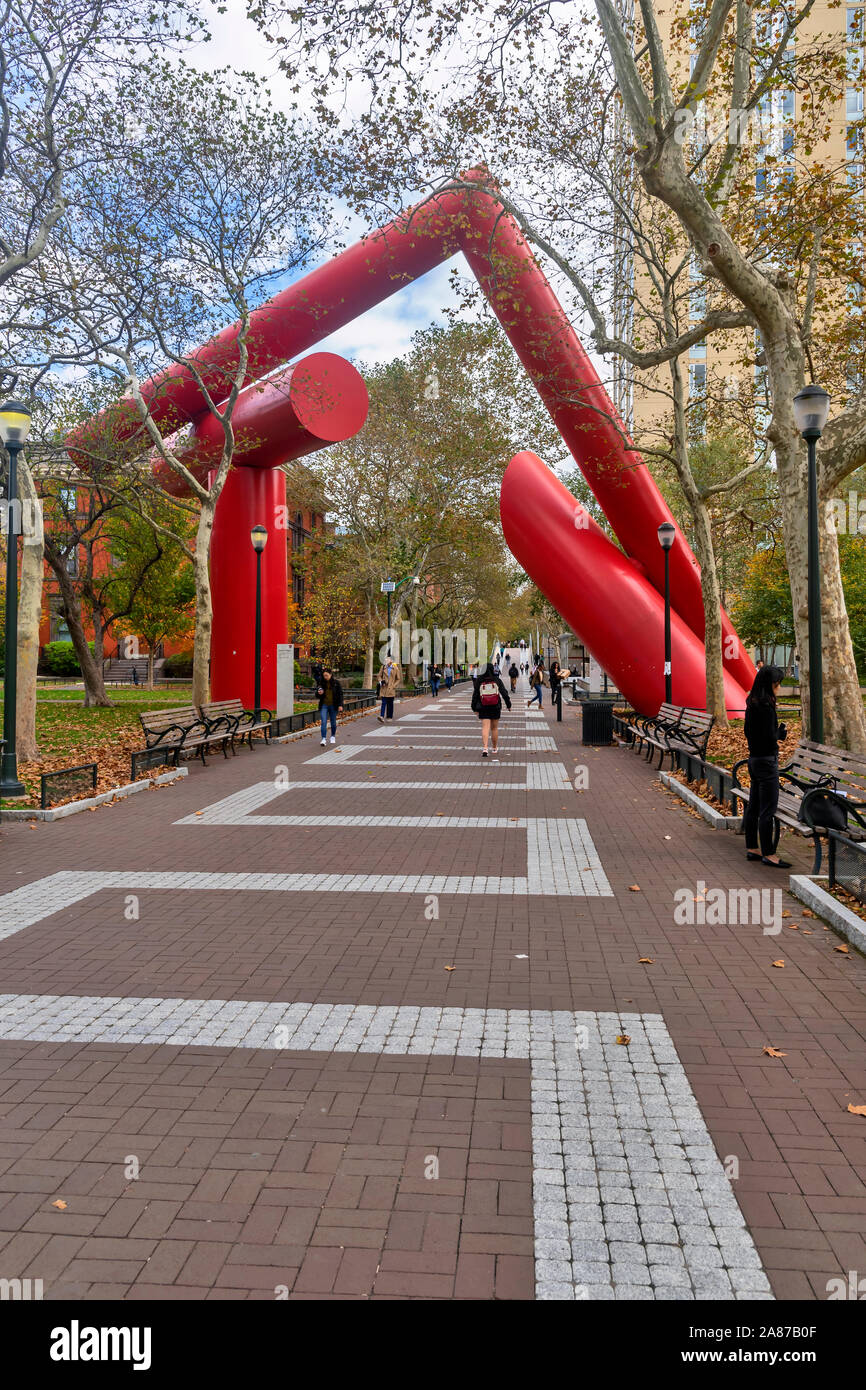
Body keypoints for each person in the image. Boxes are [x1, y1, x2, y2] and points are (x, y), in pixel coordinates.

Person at [743, 664, 790, 867]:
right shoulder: (766, 707)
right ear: (771, 684)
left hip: (753, 760)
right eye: (777, 683)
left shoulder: (752, 703)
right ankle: (769, 854)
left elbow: (748, 732)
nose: (778, 687)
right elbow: (769, 738)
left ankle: (753, 847)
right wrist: (779, 735)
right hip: (767, 762)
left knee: (753, 806)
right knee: (767, 809)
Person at [471, 660, 512, 759]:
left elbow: (475, 695)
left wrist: (474, 707)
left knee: (485, 727)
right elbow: (504, 693)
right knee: (494, 728)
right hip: (495, 706)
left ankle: (485, 748)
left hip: (483, 706)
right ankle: (494, 748)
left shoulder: (479, 681)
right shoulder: (496, 680)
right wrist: (508, 704)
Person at [317, 667, 344, 745]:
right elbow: (317, 694)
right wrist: (319, 693)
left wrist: (340, 705)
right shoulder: (321, 683)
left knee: (333, 722)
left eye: (327, 675)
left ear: (331, 675)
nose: (325, 677)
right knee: (323, 722)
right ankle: (323, 739)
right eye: (324, 675)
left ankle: (332, 736)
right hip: (324, 705)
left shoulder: (336, 683)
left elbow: (340, 694)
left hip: (333, 705)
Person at [377, 654, 402, 722]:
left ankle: (389, 717)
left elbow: (398, 679)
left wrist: (394, 685)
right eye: (386, 659)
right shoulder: (383, 667)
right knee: (383, 702)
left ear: (391, 660)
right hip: (384, 688)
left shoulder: (395, 668)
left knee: (390, 703)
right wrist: (381, 681)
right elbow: (379, 676)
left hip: (391, 688)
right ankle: (381, 716)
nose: (386, 660)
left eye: (388, 659)